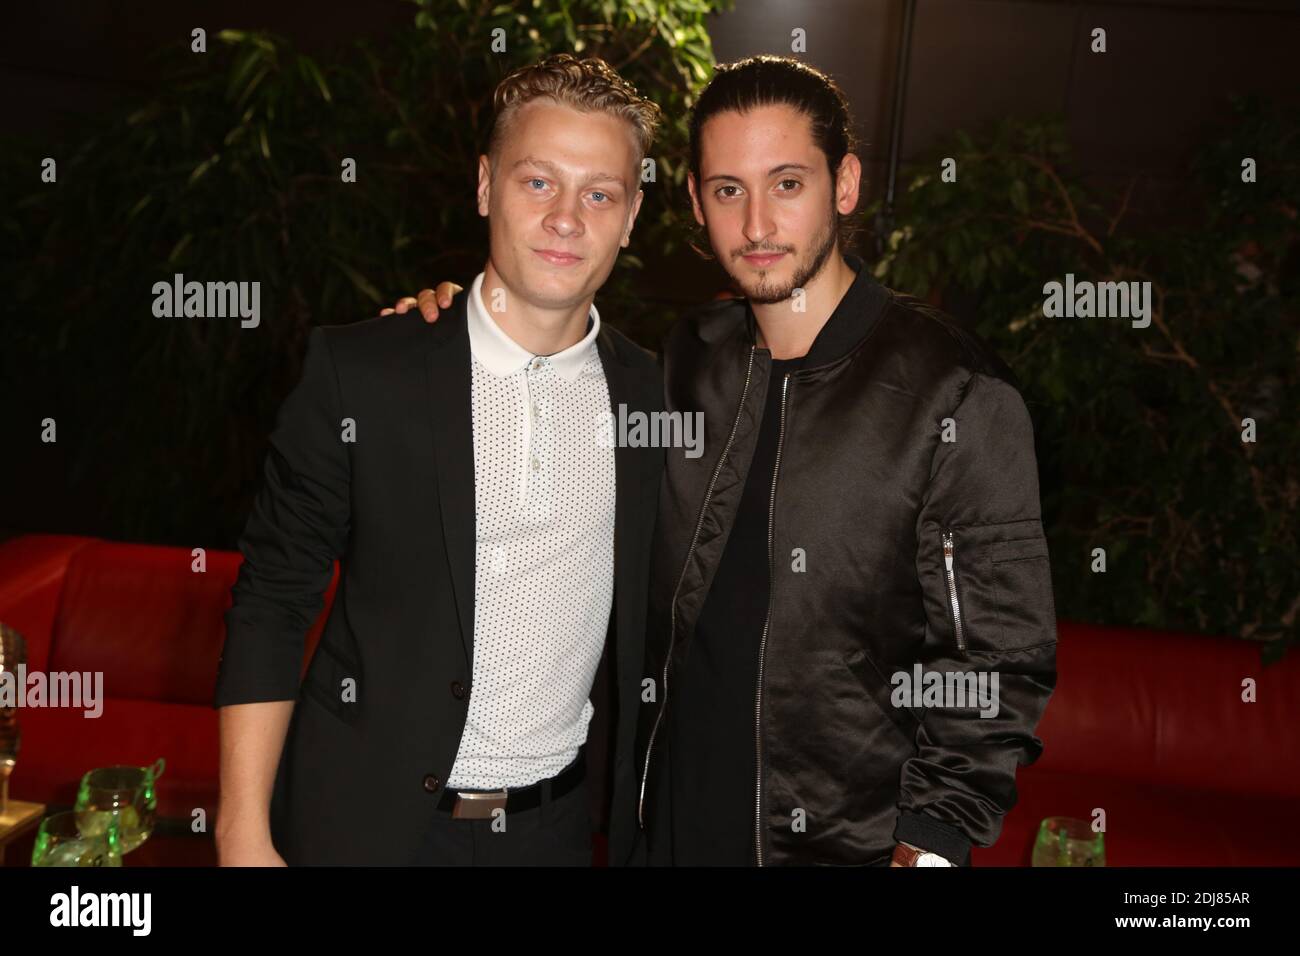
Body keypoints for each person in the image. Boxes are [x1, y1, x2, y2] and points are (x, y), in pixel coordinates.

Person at [389, 55, 1058, 867]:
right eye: (728, 190)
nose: (757, 226)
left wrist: (936, 842)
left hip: (842, 847)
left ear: (844, 186)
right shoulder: (685, 362)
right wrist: (452, 327)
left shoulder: (953, 393)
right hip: (661, 830)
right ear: (697, 204)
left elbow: (999, 658)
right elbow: (550, 382)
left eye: (787, 183)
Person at [213, 54, 665, 866]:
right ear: (486, 185)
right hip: (360, 824)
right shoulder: (366, 373)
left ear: (631, 215)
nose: (567, 217)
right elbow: (272, 602)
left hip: (554, 833)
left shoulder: (656, 400)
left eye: (599, 193)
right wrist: (242, 829)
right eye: (538, 182)